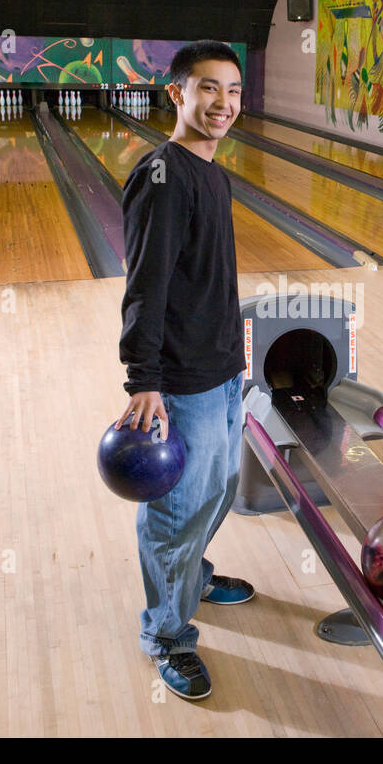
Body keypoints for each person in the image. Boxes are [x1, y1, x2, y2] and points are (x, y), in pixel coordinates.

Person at [117, 40, 252, 702]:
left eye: (232, 89)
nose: (223, 103)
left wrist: (238, 353)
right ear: (176, 93)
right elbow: (146, 286)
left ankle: (191, 578)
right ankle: (167, 635)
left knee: (220, 488)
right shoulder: (163, 174)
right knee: (175, 511)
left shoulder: (210, 172)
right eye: (208, 88)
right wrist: (144, 380)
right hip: (182, 381)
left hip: (224, 370)